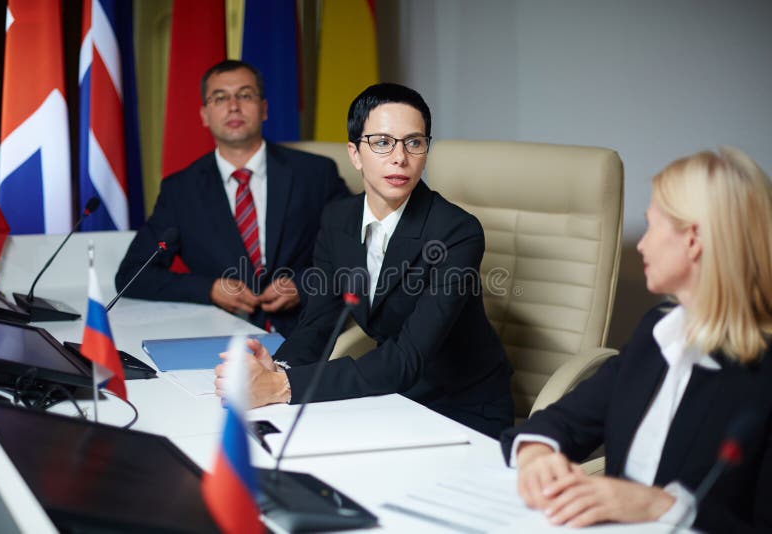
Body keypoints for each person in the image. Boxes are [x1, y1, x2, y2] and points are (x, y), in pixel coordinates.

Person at [216, 83, 514, 438]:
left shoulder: (456, 233)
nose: (400, 157)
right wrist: (278, 366)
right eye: (382, 142)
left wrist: (282, 385)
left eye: (414, 143)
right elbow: (319, 322)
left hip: (461, 408)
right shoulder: (337, 218)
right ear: (355, 154)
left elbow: (407, 357)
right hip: (392, 396)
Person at [501, 148, 772, 531]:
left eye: (651, 226)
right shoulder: (656, 334)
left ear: (693, 239)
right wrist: (537, 453)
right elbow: (563, 420)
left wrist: (664, 505)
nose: (641, 245)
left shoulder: (761, 378)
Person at [115, 60, 349, 336]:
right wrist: (210, 289)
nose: (233, 106)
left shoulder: (315, 173)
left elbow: (355, 248)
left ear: (264, 109)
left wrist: (305, 284)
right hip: (221, 335)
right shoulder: (181, 190)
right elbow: (133, 274)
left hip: (305, 333)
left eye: (245, 95)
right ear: (204, 114)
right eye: (220, 98)